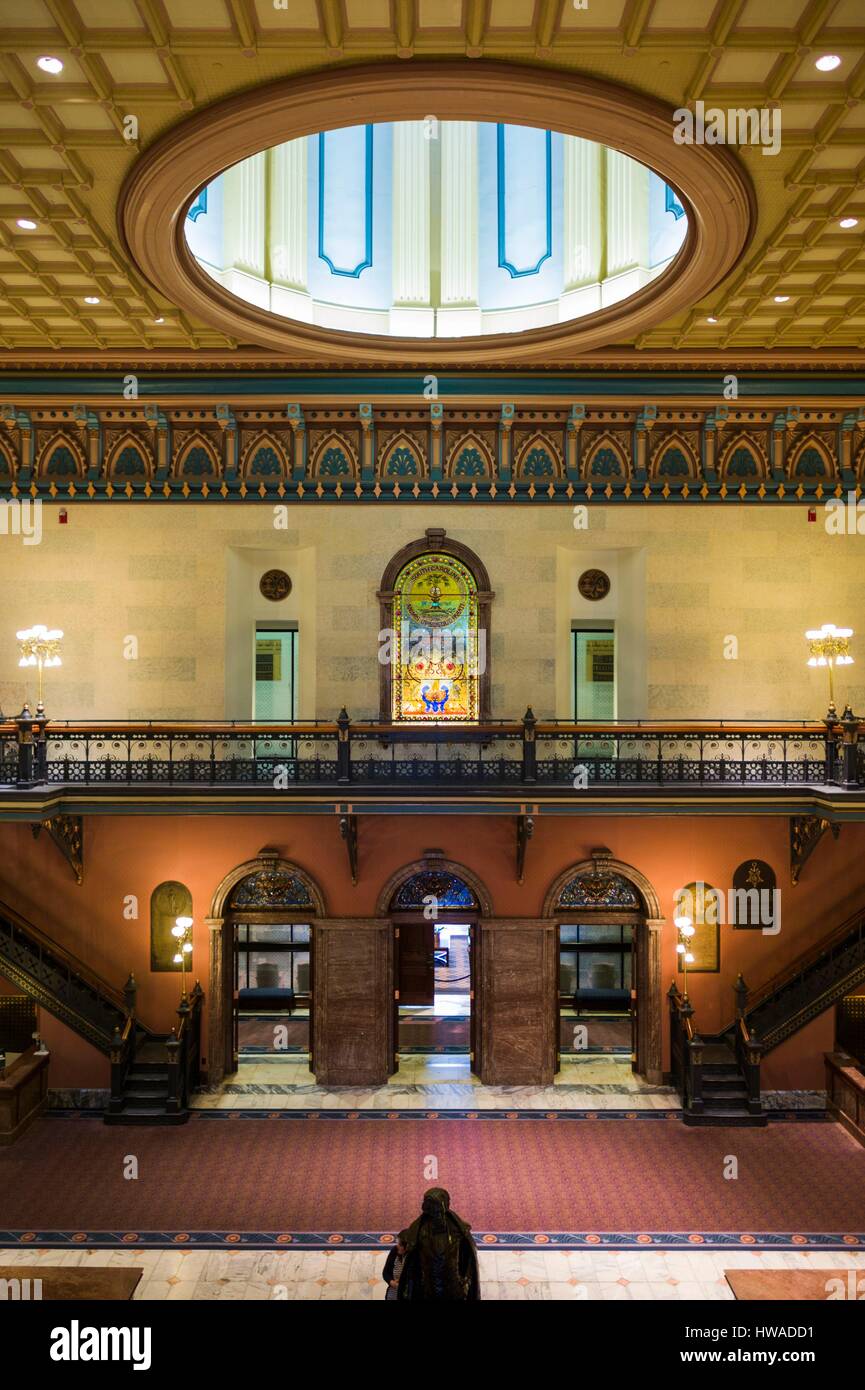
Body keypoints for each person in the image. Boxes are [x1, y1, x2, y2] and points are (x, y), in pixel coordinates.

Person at [397, 1187, 481, 1300]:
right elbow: (412, 1268)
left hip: (454, 1291)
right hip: (427, 1290)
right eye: (434, 1211)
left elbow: (469, 1263)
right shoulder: (418, 1232)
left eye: (440, 1211)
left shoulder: (459, 1231)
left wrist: (464, 1284)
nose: (438, 1215)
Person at [382, 1230, 409, 1301]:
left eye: (400, 1244)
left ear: (407, 1247)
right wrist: (391, 1282)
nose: (397, 1246)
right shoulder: (394, 1251)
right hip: (393, 1292)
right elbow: (385, 1272)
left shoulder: (413, 1259)